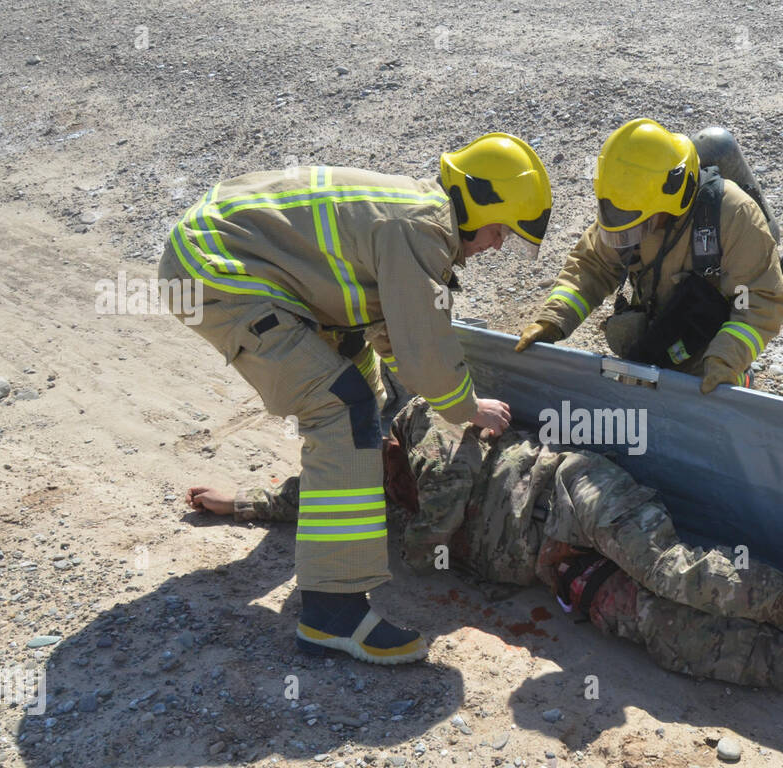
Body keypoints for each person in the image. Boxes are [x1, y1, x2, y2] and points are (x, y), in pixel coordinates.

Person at [187, 397, 783, 748]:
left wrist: (408, 530)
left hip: (568, 494)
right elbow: (307, 497)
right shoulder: (360, 485)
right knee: (677, 640)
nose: (367, 467)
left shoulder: (422, 416)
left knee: (680, 575)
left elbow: (437, 510)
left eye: (366, 454)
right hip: (552, 569)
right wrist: (241, 504)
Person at [158, 134, 552, 665]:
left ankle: (321, 560)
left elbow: (385, 323)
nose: (499, 245)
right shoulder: (422, 229)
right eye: (501, 230)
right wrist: (466, 408)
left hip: (242, 264)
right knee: (343, 408)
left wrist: (249, 501)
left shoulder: (412, 215)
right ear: (479, 204)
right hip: (218, 271)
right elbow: (424, 351)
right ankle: (332, 614)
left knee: (357, 401)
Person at [513, 118, 783, 394]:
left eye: (639, 225)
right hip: (661, 329)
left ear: (672, 198)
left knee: (706, 395)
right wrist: (552, 321)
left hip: (711, 341)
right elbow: (593, 266)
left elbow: (754, 299)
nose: (631, 233)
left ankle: (740, 378)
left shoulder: (733, 214)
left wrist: (726, 359)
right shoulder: (630, 205)